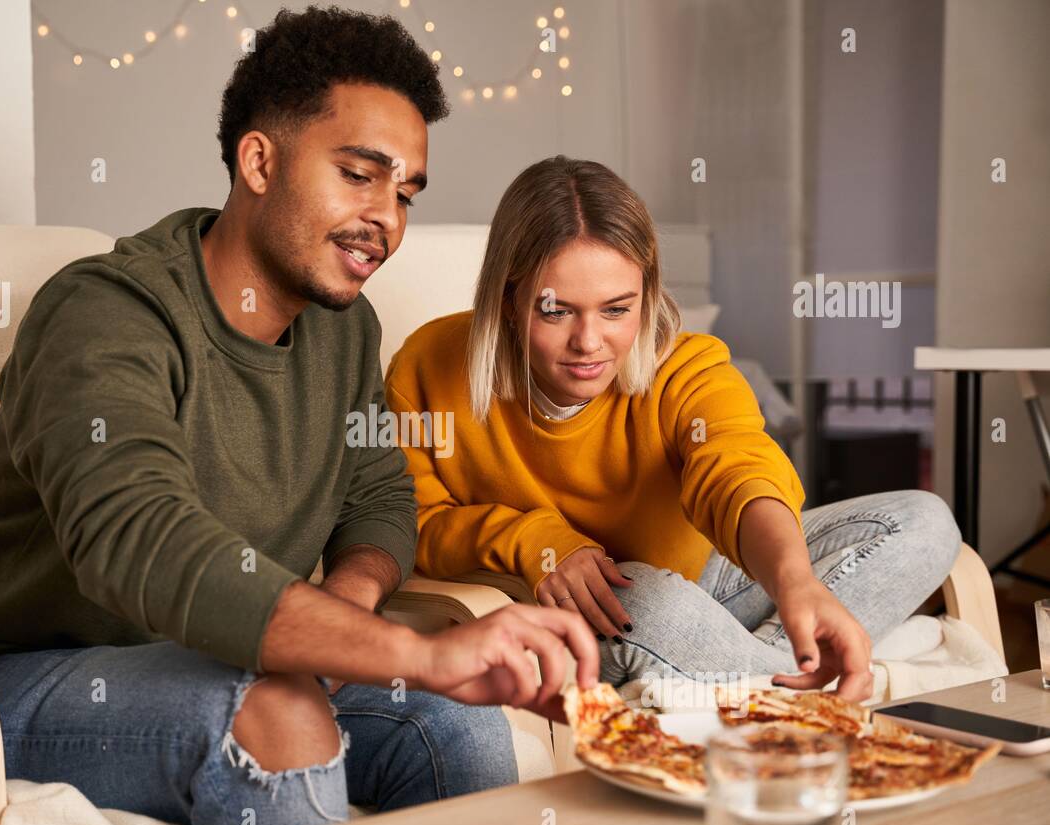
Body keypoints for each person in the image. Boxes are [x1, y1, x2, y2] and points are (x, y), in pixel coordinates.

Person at [0, 8, 598, 825]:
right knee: (280, 714)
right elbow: (138, 538)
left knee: (459, 732)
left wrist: (352, 606)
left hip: (230, 661)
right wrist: (415, 651)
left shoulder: (344, 329)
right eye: (360, 176)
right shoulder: (107, 311)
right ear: (259, 160)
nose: (388, 221)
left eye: (404, 193)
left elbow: (378, 496)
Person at [384, 155, 962, 702]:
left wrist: (794, 583)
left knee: (926, 521)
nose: (590, 342)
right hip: (591, 611)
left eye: (617, 309)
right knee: (656, 603)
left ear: (647, 294)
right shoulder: (429, 365)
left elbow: (738, 466)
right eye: (555, 310)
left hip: (711, 576)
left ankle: (751, 674)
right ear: (509, 299)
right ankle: (789, 696)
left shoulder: (686, 364)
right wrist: (537, 542)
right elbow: (410, 520)